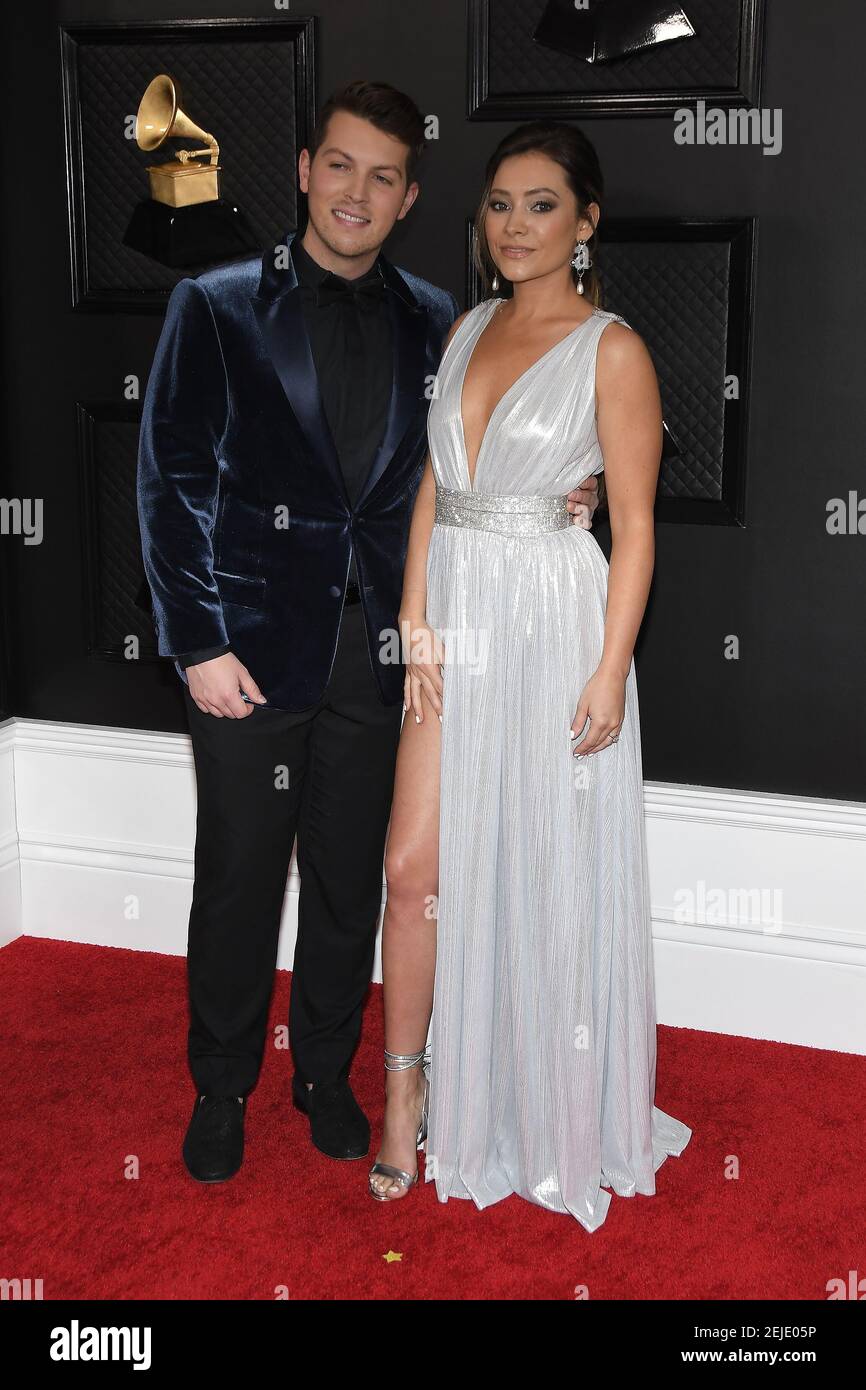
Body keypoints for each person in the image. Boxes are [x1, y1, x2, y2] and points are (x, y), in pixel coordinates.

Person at [136, 83, 601, 1183]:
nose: (357, 192)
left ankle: (325, 1075)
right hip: (245, 650)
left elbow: (476, 456)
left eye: (383, 176)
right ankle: (222, 1085)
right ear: (303, 169)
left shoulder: (442, 315)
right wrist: (196, 642)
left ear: (407, 197)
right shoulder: (213, 303)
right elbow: (168, 482)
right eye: (339, 166)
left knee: (353, 879)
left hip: (390, 653)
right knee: (240, 877)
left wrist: (562, 490)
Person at [369, 120, 692, 1231]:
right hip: (452, 624)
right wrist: (413, 617)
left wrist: (608, 668)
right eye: (498, 204)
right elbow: (435, 485)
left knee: (544, 870)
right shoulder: (461, 330)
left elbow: (637, 528)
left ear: (584, 223)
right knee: (412, 870)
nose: (514, 224)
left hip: (555, 628)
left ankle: (545, 1105)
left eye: (541, 204)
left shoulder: (613, 350)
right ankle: (406, 1086)